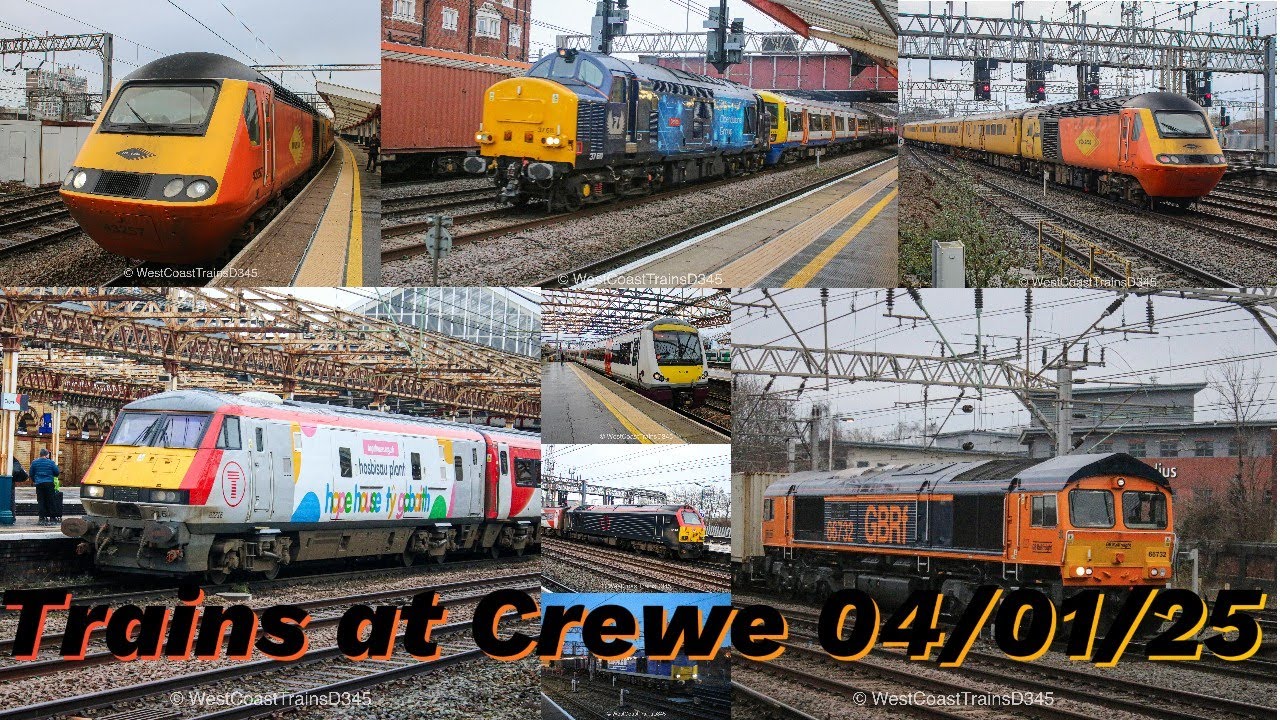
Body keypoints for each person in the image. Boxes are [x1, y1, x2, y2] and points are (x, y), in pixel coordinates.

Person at [29, 449, 60, 525]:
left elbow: (31, 473)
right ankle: (52, 518)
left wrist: (35, 480)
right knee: (51, 500)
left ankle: (41, 518)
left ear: (40, 454)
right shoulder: (51, 462)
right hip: (49, 483)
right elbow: (57, 472)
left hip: (39, 484)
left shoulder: (34, 462)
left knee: (41, 501)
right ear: (47, 455)